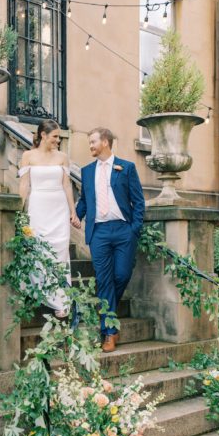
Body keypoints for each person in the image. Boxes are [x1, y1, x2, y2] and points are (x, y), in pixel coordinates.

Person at [72, 127, 145, 352]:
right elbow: (85, 200)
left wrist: (134, 229)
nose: (90, 146)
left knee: (121, 275)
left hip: (124, 230)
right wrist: (77, 214)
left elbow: (139, 201)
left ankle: (107, 310)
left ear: (105, 142)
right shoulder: (86, 171)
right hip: (99, 232)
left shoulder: (127, 167)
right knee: (104, 281)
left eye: (93, 141)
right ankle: (109, 332)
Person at [18, 119, 77, 318]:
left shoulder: (62, 157)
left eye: (59, 137)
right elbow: (24, 184)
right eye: (55, 136)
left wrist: (72, 211)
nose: (58, 140)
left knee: (59, 252)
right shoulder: (28, 156)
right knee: (39, 248)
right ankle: (37, 292)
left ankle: (60, 300)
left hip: (58, 207)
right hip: (38, 206)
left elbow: (67, 185)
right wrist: (20, 211)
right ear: (43, 135)